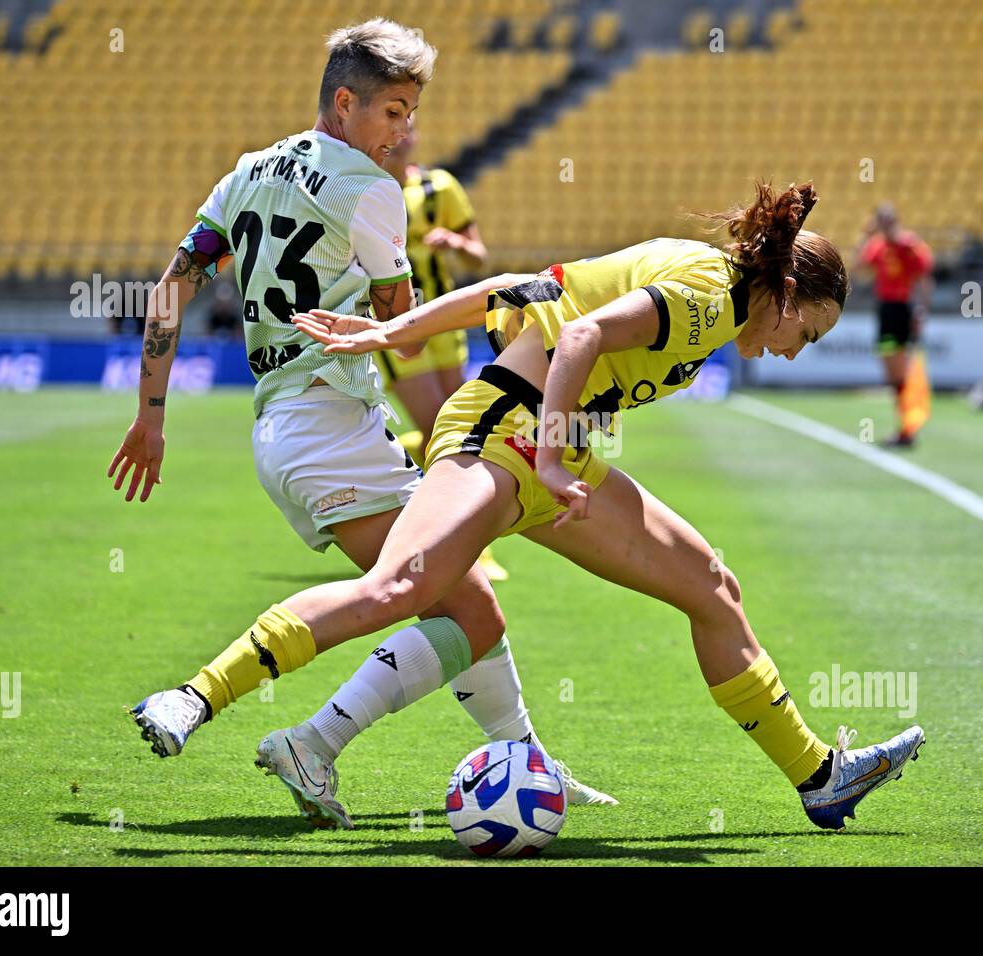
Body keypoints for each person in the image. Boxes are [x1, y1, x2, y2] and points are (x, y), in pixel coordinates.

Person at [230, 181, 924, 831]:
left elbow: (517, 288)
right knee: (402, 588)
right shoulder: (711, 300)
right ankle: (211, 699)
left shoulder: (719, 291)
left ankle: (818, 778)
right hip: (506, 431)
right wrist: (556, 456)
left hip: (546, 441)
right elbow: (584, 337)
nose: (797, 354)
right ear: (789, 294)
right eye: (808, 334)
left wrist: (392, 333)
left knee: (712, 587)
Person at [106, 18, 613, 828]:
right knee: (416, 592)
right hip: (331, 425)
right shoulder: (371, 192)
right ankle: (204, 701)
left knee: (471, 604)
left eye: (411, 114)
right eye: (392, 113)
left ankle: (526, 765)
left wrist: (150, 415)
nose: (404, 134)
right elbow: (396, 315)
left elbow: (171, 287)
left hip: (283, 424)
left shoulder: (245, 172)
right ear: (344, 103)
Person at [378, 125, 509, 581]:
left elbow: (478, 256)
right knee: (439, 432)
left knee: (454, 431)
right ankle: (463, 547)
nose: (404, 134)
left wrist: (454, 243)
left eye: (409, 126)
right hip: (395, 328)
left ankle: (458, 543)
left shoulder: (439, 187)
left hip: (445, 323)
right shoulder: (360, 188)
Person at [858, 203, 934, 447]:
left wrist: (921, 310)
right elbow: (860, 268)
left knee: (901, 371)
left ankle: (907, 428)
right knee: (892, 372)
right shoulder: (878, 245)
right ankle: (905, 427)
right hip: (886, 311)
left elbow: (923, 278)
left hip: (901, 310)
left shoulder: (908, 245)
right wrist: (866, 237)